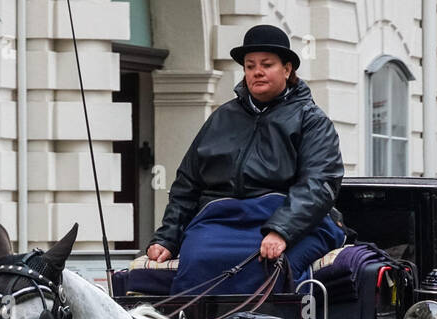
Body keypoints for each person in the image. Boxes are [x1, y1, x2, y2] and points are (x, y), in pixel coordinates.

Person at [146, 24, 346, 296]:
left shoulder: (312, 120)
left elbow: (318, 184)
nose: (257, 71)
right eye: (250, 66)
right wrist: (167, 237)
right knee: (197, 260)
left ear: (287, 70)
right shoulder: (221, 118)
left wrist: (281, 231)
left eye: (267, 64)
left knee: (268, 266)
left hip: (290, 220)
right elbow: (187, 184)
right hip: (219, 222)